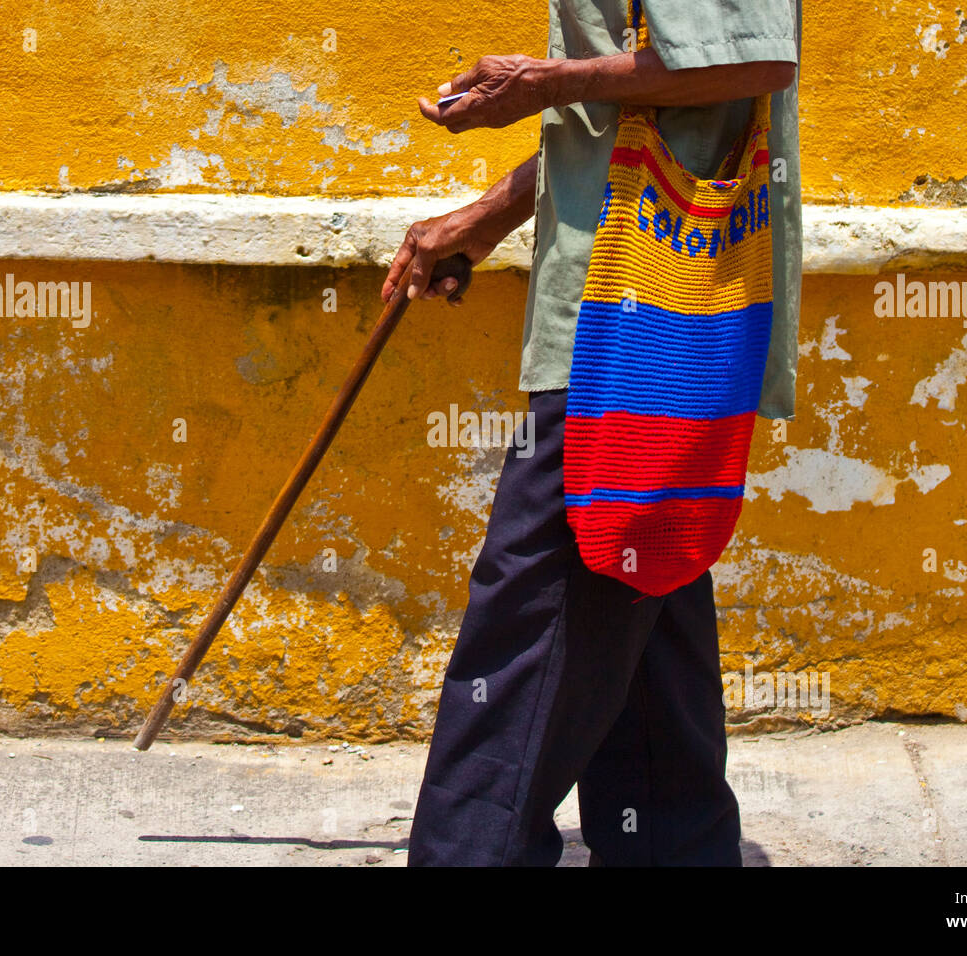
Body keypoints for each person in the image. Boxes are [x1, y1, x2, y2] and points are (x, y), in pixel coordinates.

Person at [383, 0, 802, 866]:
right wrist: (493, 210)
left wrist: (540, 83)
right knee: (643, 584)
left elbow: (753, 61)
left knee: (533, 606)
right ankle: (673, 842)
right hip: (631, 294)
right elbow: (649, 105)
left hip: (633, 313)